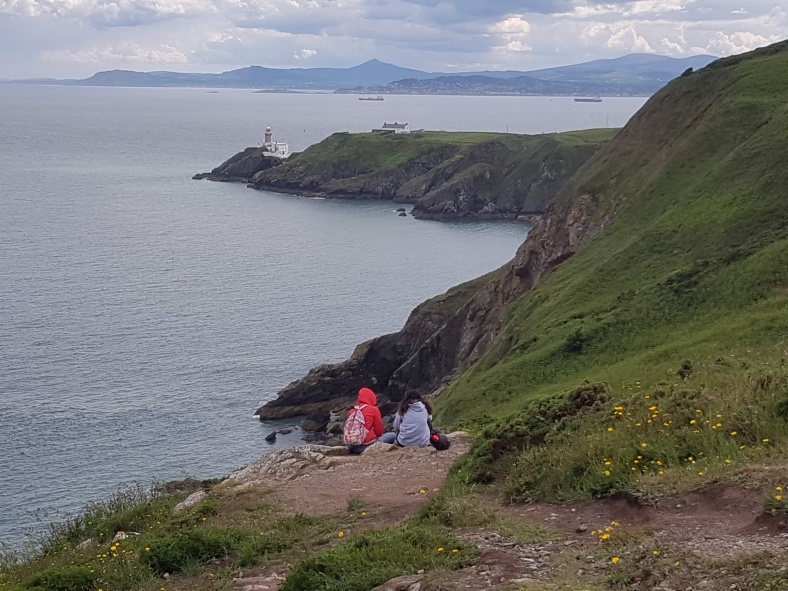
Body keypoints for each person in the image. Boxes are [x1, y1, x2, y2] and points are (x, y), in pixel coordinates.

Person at [345, 387, 384, 454]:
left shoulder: (352, 411)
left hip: (352, 446)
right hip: (367, 446)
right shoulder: (374, 410)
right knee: (391, 435)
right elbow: (379, 432)